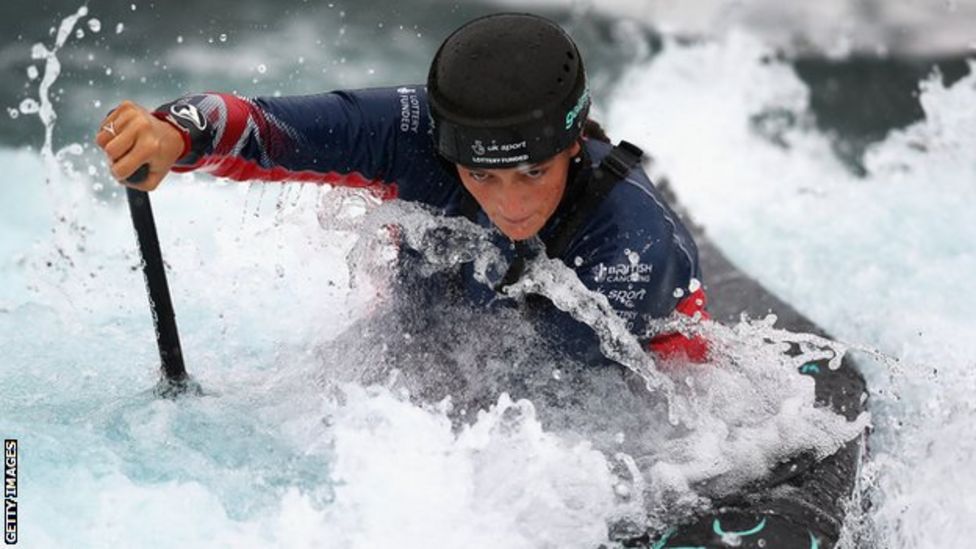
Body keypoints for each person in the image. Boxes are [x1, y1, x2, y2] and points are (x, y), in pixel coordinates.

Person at [95, 13, 709, 363]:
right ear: (450, 151)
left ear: (573, 146)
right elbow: (254, 126)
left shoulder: (630, 244)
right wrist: (169, 134)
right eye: (481, 176)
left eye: (532, 173)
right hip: (431, 340)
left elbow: (577, 416)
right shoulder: (411, 131)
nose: (510, 205)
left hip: (644, 355)